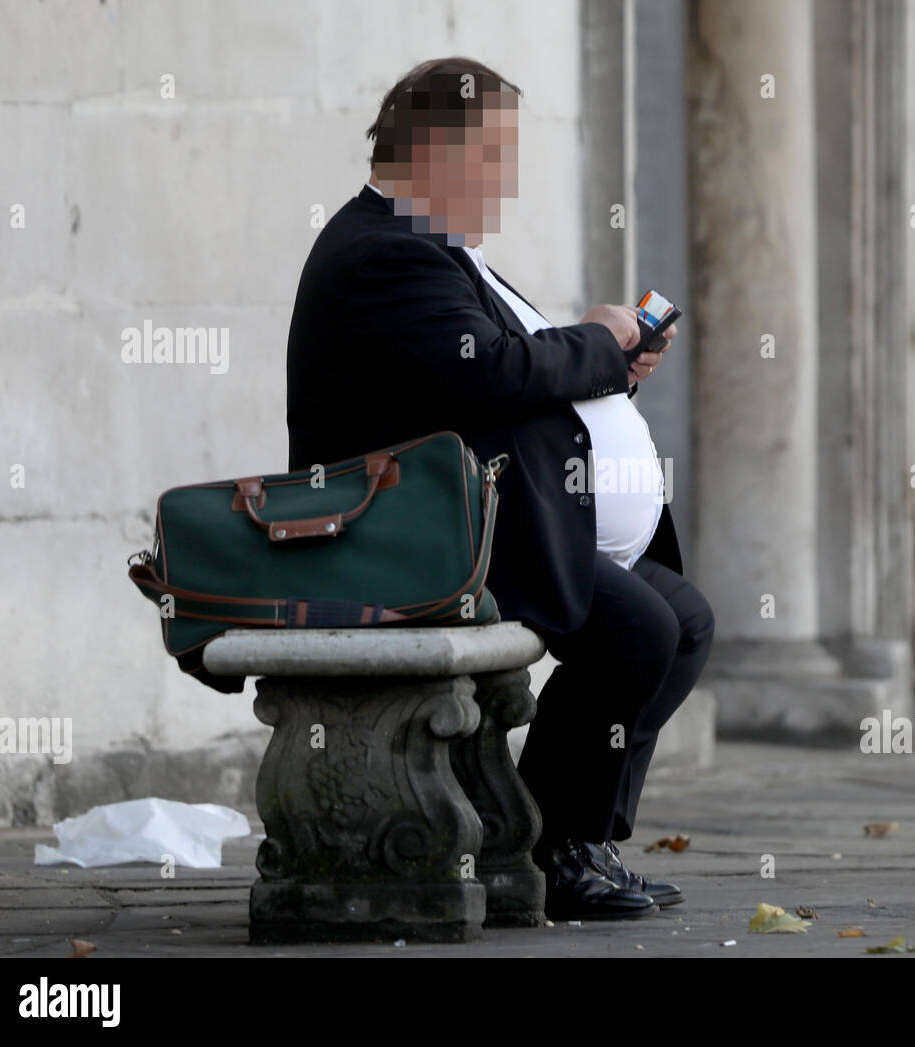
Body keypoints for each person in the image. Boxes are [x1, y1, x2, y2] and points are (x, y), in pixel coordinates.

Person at [285, 57, 714, 920]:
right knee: (638, 627)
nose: (508, 181)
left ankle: (571, 835)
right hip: (412, 540)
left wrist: (611, 364)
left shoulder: (432, 250)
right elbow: (493, 376)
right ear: (439, 148)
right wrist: (595, 339)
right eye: (497, 156)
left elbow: (501, 374)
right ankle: (549, 849)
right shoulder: (383, 253)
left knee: (685, 619)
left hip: (479, 525)